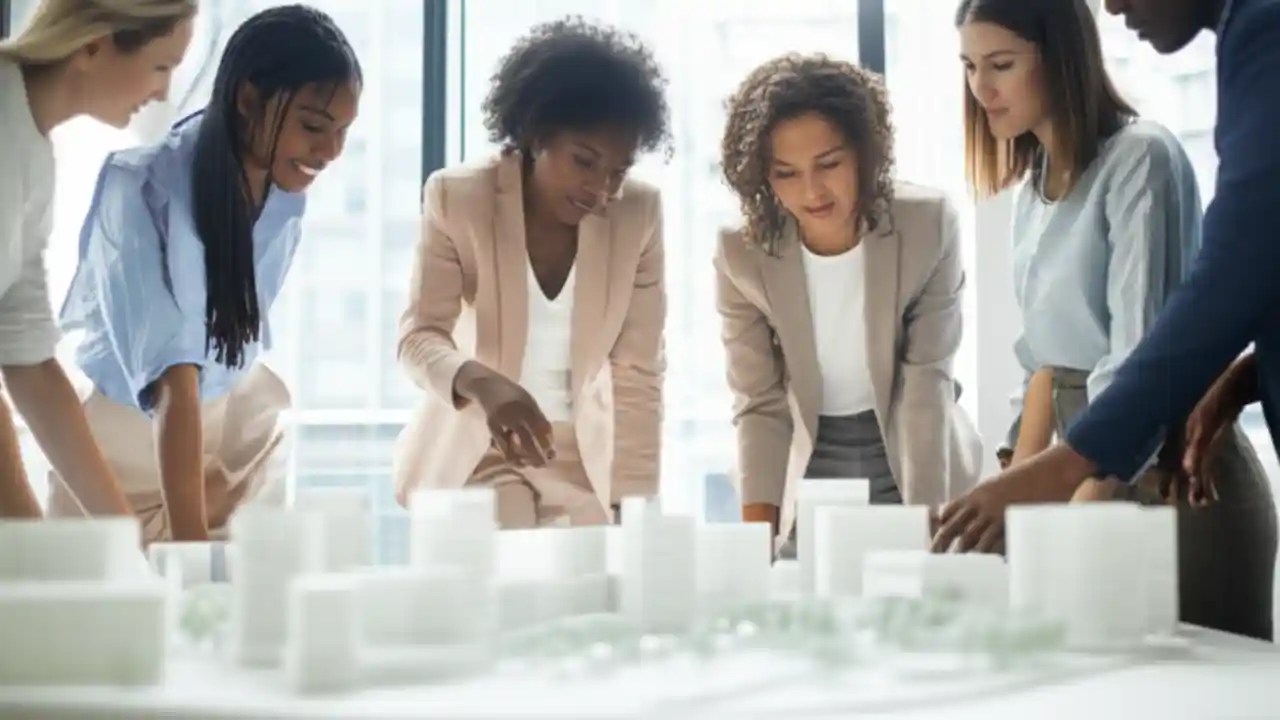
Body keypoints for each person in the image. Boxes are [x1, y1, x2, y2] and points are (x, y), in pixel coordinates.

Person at [934, 0, 1280, 642]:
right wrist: (1018, 495)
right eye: (969, 67)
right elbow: (1043, 370)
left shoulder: (1141, 157)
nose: (981, 88)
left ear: (1061, 56)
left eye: (1001, 64)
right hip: (1087, 484)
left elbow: (1142, 348)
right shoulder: (1033, 187)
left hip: (1165, 486)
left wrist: (1065, 515)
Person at [53, 4, 362, 543]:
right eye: (314, 126)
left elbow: (230, 349)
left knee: (251, 605)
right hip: (125, 454)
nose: (330, 151)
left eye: (342, 132)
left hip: (228, 430)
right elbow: (175, 384)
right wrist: (191, 549)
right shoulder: (141, 189)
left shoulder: (284, 191)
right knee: (129, 609)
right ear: (248, 100)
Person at [392, 17, 669, 528]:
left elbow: (638, 371)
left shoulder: (639, 213)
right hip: (482, 444)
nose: (602, 189)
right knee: (508, 570)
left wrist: (634, 502)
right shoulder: (459, 198)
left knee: (591, 599)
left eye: (618, 170)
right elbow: (419, 336)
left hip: (584, 456)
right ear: (537, 134)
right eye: (584, 161)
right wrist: (483, 384)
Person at [716, 53, 982, 555]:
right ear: (762, 177)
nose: (811, 190)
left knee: (916, 599)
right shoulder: (741, 253)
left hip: (910, 448)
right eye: (786, 173)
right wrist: (755, 544)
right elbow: (758, 403)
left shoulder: (927, 224)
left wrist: (927, 527)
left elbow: (926, 381)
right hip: (806, 460)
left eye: (829, 164)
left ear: (865, 151)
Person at [0, 0, 197, 520]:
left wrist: (121, 539)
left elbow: (28, 358)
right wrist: (33, 551)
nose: (163, 92)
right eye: (161, 66)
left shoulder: (31, 147)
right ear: (93, 44)